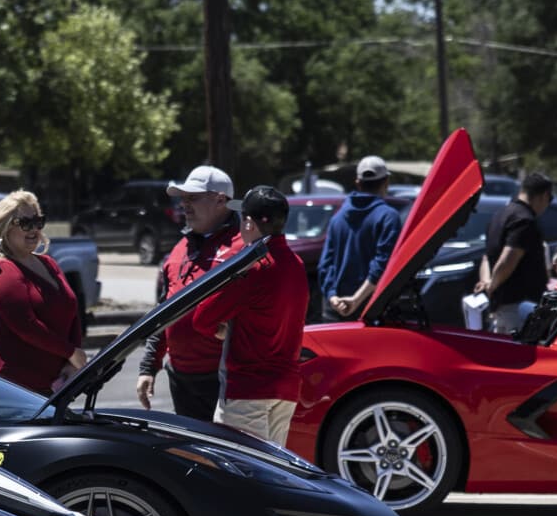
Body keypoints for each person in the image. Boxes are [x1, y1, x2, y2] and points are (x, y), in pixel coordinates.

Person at [190, 185, 308, 446]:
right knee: (273, 476)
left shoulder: (253, 267)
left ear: (250, 224)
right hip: (286, 388)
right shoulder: (296, 265)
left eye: (241, 218)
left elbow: (202, 317)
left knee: (237, 479)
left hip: (248, 390)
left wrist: (221, 330)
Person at [135, 165, 241, 419]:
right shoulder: (179, 249)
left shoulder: (243, 247)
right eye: (183, 199)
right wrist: (149, 367)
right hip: (181, 380)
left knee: (226, 456)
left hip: (226, 382)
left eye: (193, 198)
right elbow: (164, 312)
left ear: (220, 200)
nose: (184, 205)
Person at [0, 191, 86, 392]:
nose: (34, 229)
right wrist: (70, 352)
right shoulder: (1, 270)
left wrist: (72, 361)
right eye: (25, 223)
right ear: (6, 227)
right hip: (9, 385)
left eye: (38, 221)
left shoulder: (48, 263)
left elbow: (71, 309)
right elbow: (25, 325)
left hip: (48, 384)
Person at [315, 155, 405, 321]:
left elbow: (325, 264)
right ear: (386, 182)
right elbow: (382, 264)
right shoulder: (388, 217)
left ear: (358, 183)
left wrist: (333, 298)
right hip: (371, 311)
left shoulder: (338, 218)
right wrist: (356, 300)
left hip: (334, 311)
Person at [474, 172, 553, 334]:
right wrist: (491, 286)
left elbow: (486, 257)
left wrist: (487, 280)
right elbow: (509, 258)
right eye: (549, 199)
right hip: (520, 308)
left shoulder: (499, 216)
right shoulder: (524, 220)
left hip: (502, 308)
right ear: (544, 195)